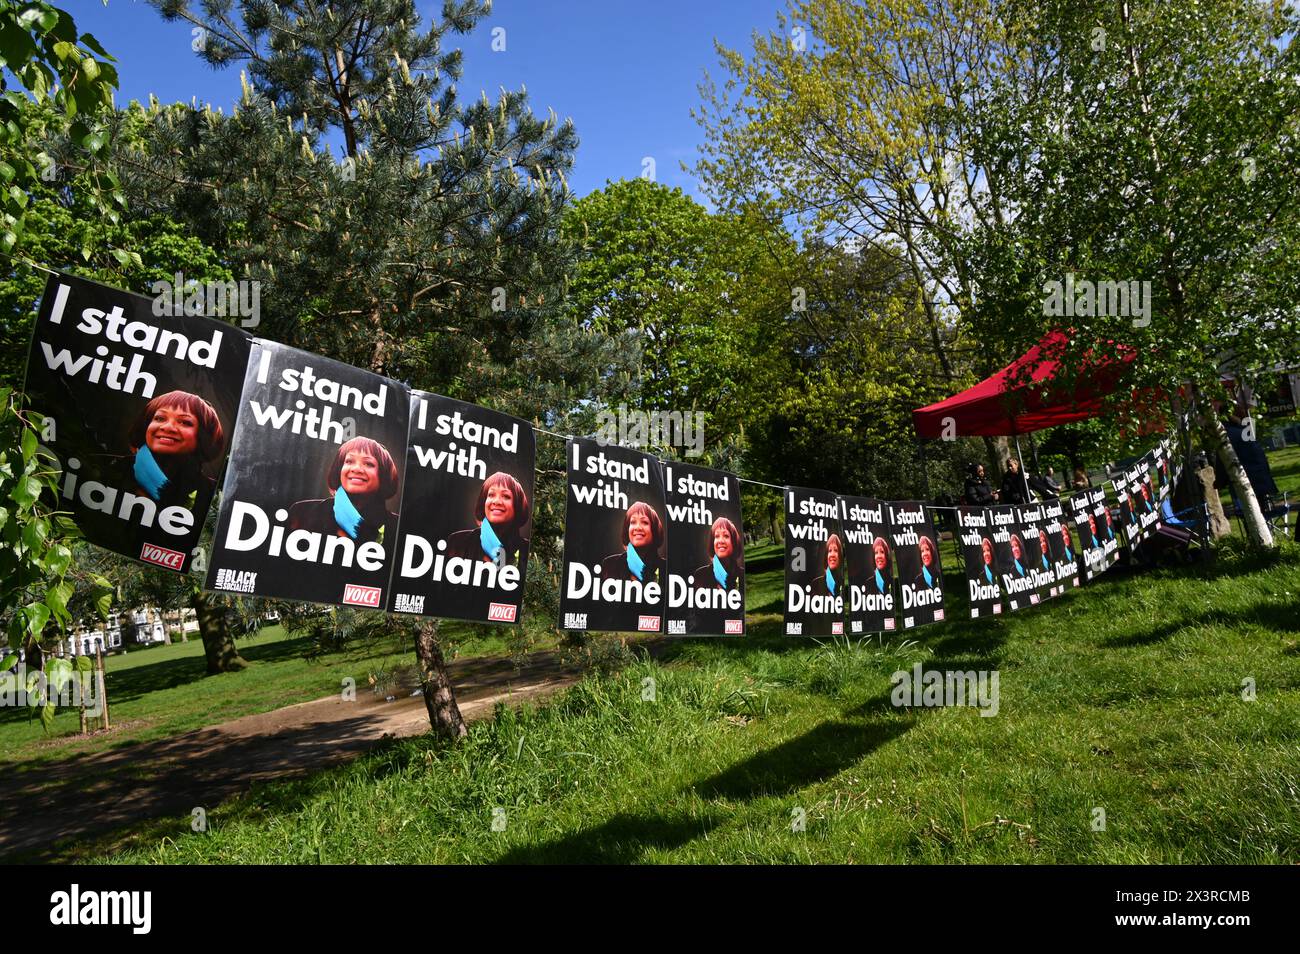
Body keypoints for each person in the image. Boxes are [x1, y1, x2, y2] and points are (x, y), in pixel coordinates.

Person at [120, 390, 226, 508]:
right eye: (160, 418)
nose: (167, 427)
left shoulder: (214, 495)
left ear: (203, 437)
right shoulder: (111, 468)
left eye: (185, 422)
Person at [288, 436, 400, 545]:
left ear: (383, 475)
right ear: (339, 469)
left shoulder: (397, 527)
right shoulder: (302, 512)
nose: (356, 469)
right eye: (349, 461)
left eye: (368, 464)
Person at [444, 471, 531, 567]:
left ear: (517, 506)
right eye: (491, 495)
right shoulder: (457, 542)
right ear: (483, 502)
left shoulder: (527, 550)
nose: (496, 501)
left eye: (506, 496)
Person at [600, 501, 665, 584]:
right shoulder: (609, 565)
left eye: (644, 522)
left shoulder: (665, 568)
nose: (637, 527)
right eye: (633, 522)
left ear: (654, 530)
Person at [691, 516, 744, 590]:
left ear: (734, 542)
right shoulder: (701, 575)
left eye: (726, 536)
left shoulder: (742, 574)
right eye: (717, 536)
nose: (720, 541)